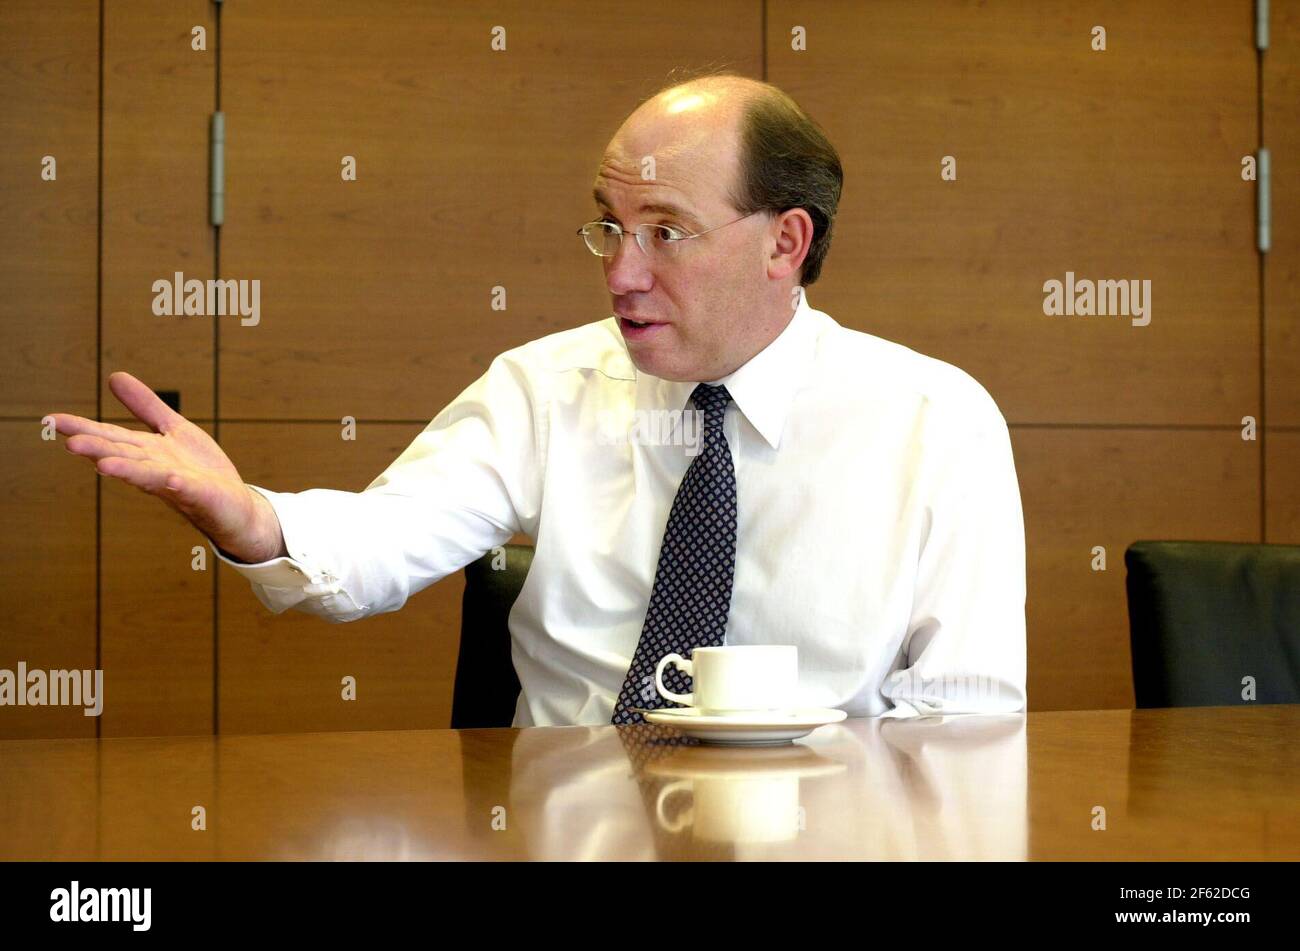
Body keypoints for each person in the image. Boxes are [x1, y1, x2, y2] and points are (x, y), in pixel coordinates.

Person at [50, 73, 1026, 727]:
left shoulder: (933, 424)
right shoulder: (545, 385)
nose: (620, 274)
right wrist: (258, 521)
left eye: (665, 232)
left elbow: (965, 720)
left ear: (784, 243)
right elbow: (385, 543)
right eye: (607, 227)